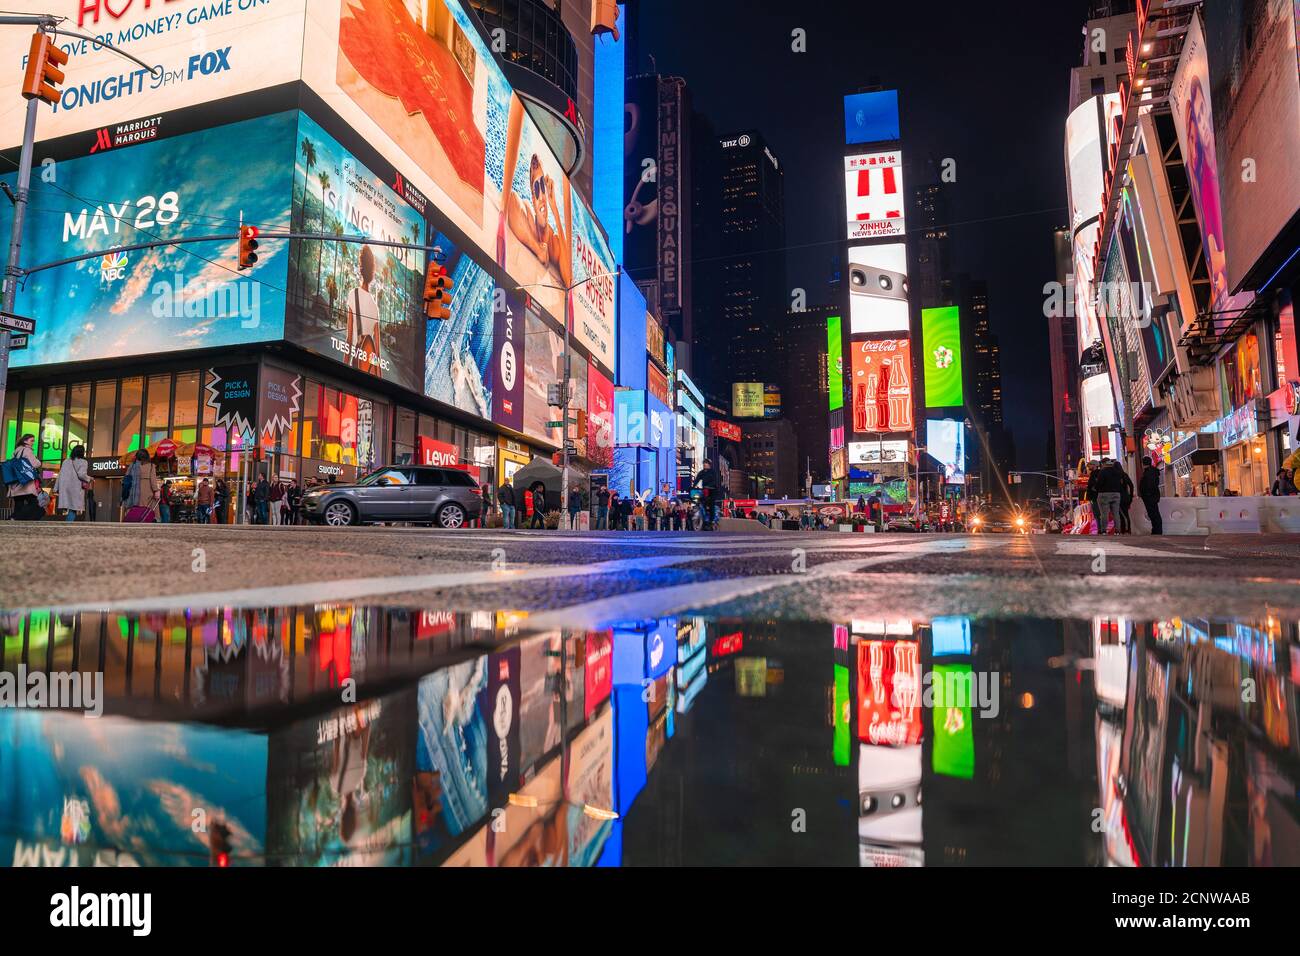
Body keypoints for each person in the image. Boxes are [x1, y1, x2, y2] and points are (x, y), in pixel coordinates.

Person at [344, 244, 383, 377]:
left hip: (355, 365)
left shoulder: (353, 294)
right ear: (372, 271)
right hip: (369, 370)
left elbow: (349, 339)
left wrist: (343, 367)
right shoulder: (375, 307)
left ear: (361, 269)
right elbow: (377, 351)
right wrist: (379, 377)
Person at [54, 444, 90, 523]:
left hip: (65, 487)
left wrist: (56, 488)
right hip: (75, 488)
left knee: (69, 505)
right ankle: (68, 524)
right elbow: (81, 474)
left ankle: (67, 523)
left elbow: (60, 474)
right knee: (74, 508)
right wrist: (89, 478)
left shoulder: (66, 461)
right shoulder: (83, 462)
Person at [123, 448, 161, 521]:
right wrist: (156, 490)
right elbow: (153, 480)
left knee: (135, 510)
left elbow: (126, 479)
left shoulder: (132, 466)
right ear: (147, 456)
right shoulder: (151, 466)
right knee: (149, 509)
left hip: (133, 493)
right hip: (147, 492)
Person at [1093, 458, 1125, 535]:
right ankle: (1117, 530)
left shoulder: (1103, 472)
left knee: (1104, 513)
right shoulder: (1117, 472)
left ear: (1104, 464)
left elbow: (1099, 483)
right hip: (1116, 494)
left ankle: (1104, 530)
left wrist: (1095, 488)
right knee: (1116, 513)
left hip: (1104, 494)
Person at [1139, 455, 1163, 535]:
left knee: (1153, 513)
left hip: (1149, 496)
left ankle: (1157, 530)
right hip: (1153, 495)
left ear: (1143, 463)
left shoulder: (1148, 473)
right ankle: (1156, 530)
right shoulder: (1153, 471)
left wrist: (1146, 494)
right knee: (1154, 513)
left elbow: (1149, 484)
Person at [694, 463, 720, 529]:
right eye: (704, 464)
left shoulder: (713, 472)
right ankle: (703, 516)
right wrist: (693, 486)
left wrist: (711, 486)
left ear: (709, 465)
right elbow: (697, 479)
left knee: (711, 504)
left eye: (706, 464)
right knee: (701, 501)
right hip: (705, 490)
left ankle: (712, 520)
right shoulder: (702, 472)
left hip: (712, 490)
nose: (705, 465)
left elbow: (715, 481)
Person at [1118, 463, 1135, 535]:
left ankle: (1123, 529)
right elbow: (1131, 485)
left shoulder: (1116, 476)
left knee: (1121, 514)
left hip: (1119, 497)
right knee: (1126, 513)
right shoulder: (1125, 475)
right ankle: (1128, 529)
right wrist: (1131, 495)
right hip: (1126, 496)